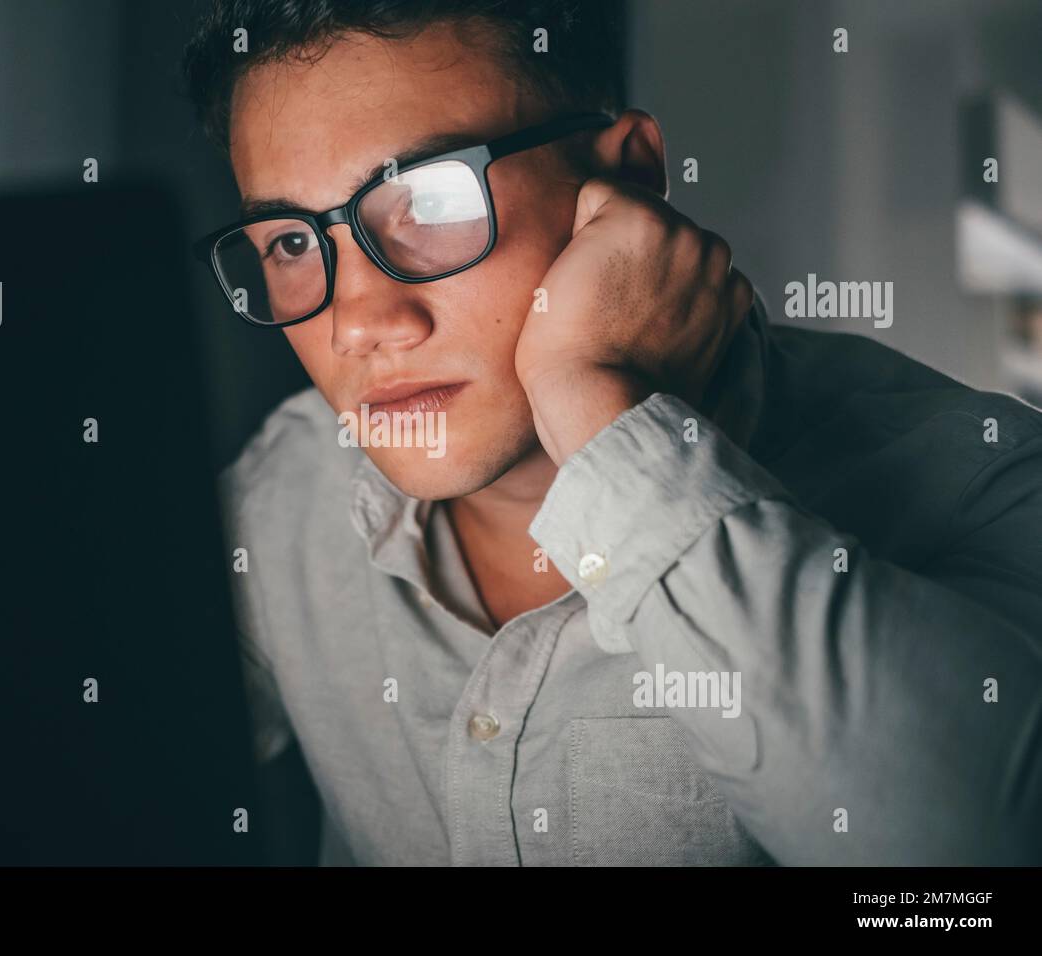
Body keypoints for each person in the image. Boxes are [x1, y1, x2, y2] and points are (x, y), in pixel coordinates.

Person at [183, 0, 1042, 865]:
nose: (361, 323)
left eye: (430, 201)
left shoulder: (980, 478)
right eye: (290, 243)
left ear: (627, 173)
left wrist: (596, 402)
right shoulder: (286, 490)